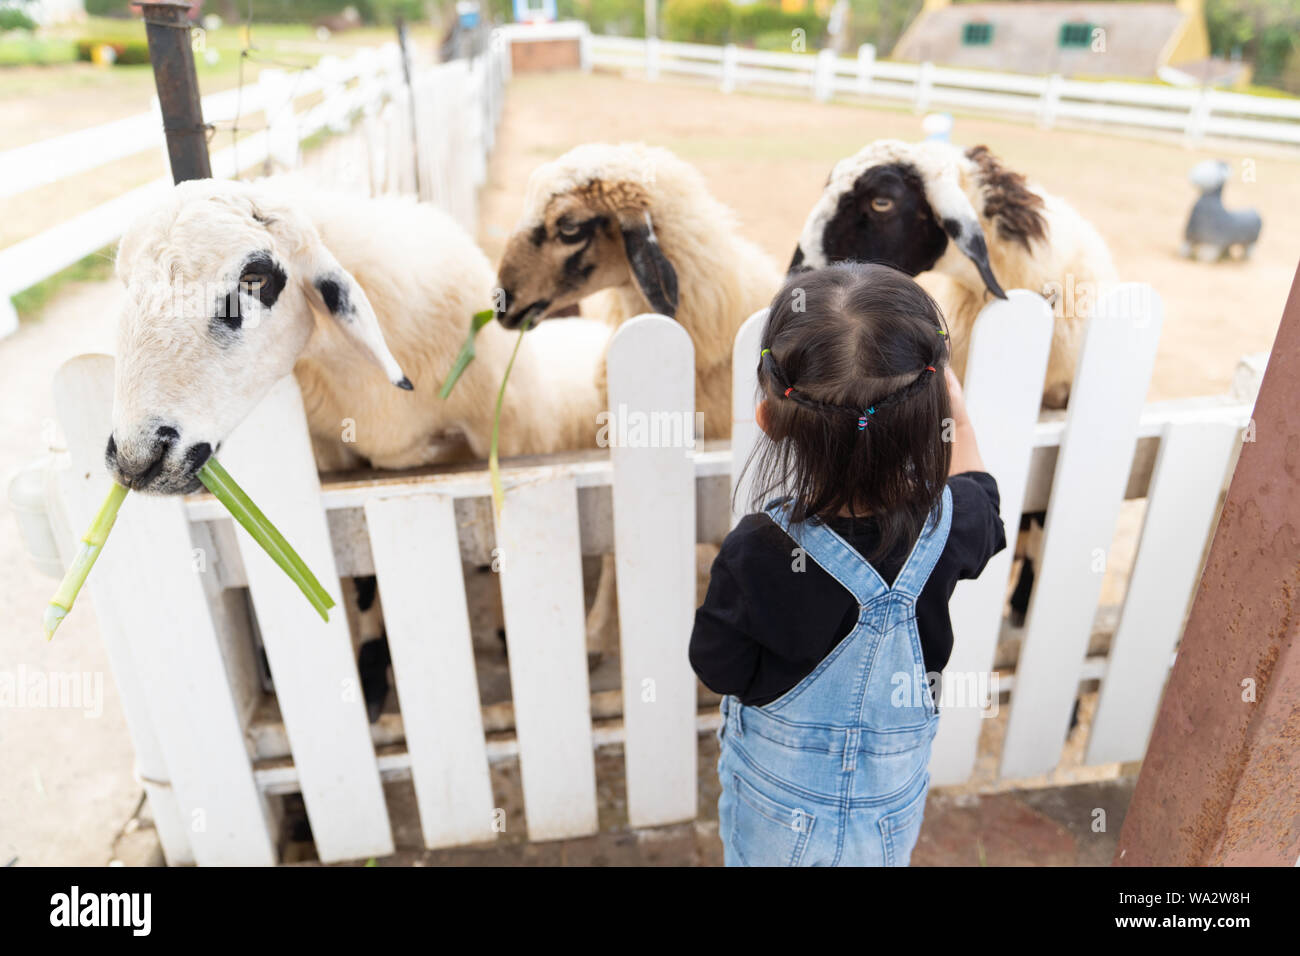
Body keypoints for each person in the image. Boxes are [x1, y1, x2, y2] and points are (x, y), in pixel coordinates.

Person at [691, 262, 1006, 866]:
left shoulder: (758, 550)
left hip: (779, 807)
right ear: (929, 415)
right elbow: (983, 500)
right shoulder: (952, 523)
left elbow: (719, 664)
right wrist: (957, 418)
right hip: (890, 807)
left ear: (769, 420)